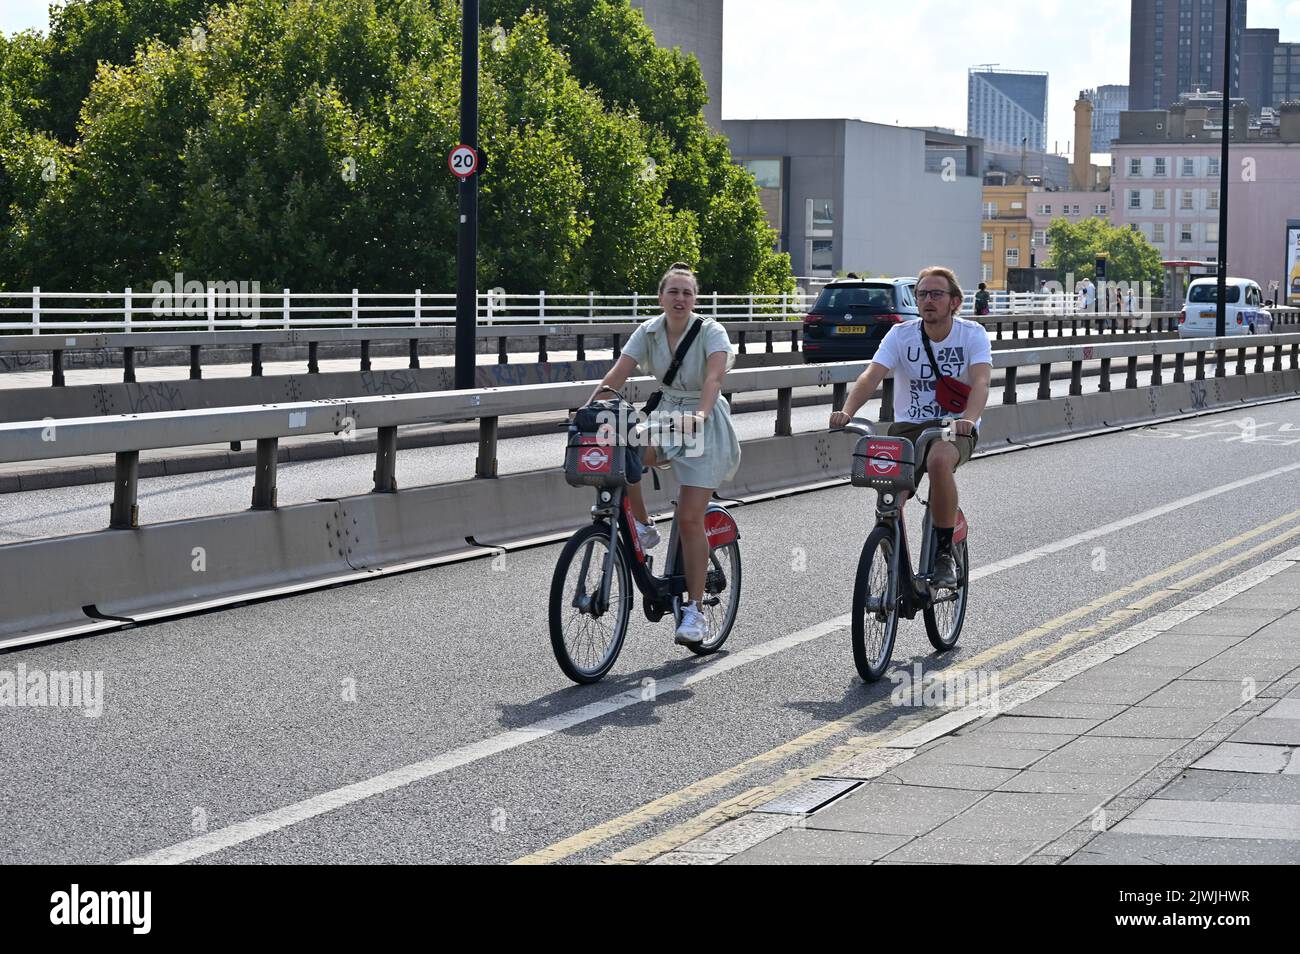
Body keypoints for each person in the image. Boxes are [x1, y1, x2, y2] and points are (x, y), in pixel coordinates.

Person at [580, 262, 742, 646]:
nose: (680, 299)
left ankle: (695, 611)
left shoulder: (711, 332)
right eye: (673, 292)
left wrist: (700, 415)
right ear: (661, 297)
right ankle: (643, 525)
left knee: (689, 519)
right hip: (666, 412)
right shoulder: (648, 331)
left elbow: (714, 379)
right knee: (626, 447)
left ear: (695, 299)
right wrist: (587, 411)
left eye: (687, 293)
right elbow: (617, 375)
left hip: (705, 422)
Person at [829, 266, 992, 587]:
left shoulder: (972, 334)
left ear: (954, 302)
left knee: (939, 460)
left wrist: (969, 421)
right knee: (890, 492)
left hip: (952, 425)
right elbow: (871, 375)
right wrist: (846, 411)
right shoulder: (900, 334)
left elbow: (982, 382)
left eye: (936, 294)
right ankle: (893, 553)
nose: (928, 300)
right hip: (908, 427)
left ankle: (944, 554)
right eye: (922, 294)